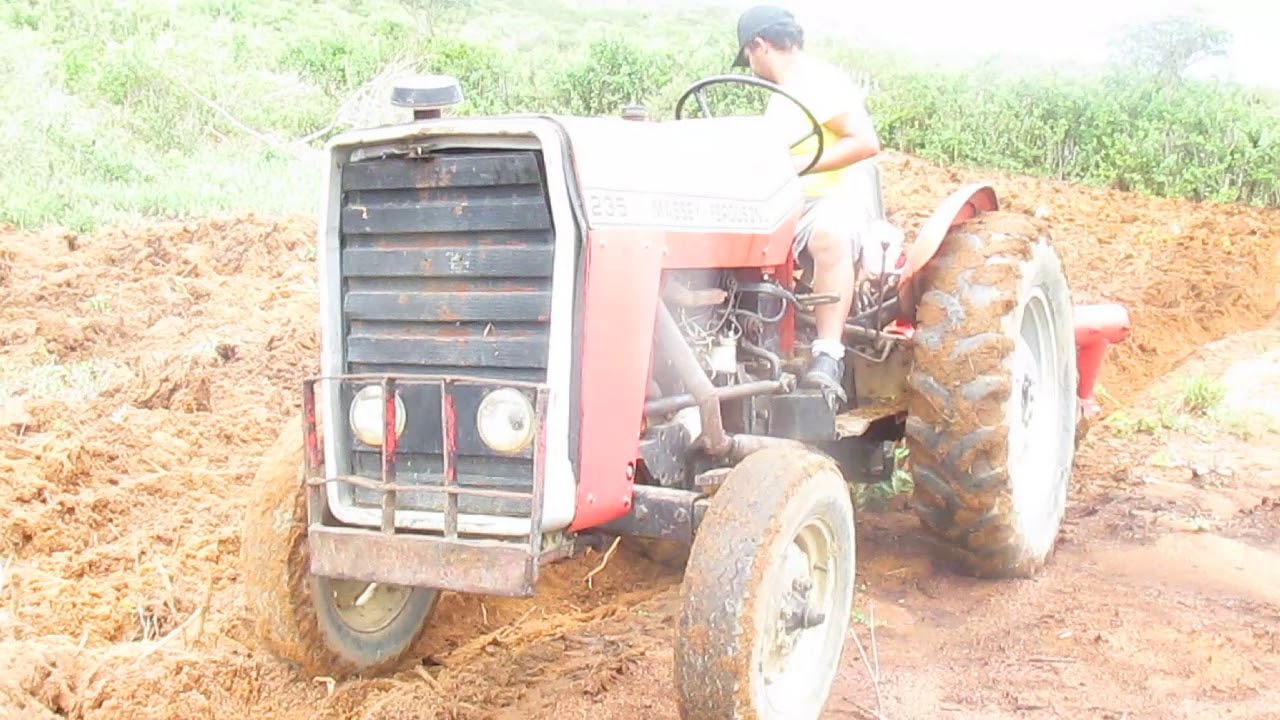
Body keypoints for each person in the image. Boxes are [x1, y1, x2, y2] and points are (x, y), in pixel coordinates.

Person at [733, 5, 882, 403]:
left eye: (747, 56)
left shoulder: (819, 81)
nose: (750, 66)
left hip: (830, 198)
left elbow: (865, 142)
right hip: (785, 202)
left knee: (829, 234)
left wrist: (798, 165)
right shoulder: (781, 97)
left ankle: (828, 353)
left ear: (759, 46)